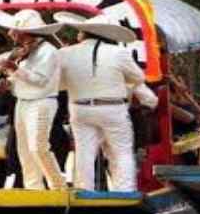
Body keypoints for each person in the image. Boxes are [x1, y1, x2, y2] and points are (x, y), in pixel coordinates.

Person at [57, 14, 153, 193]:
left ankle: (84, 191)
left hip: (80, 108)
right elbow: (138, 77)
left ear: (85, 33)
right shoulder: (119, 53)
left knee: (84, 153)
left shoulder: (64, 53)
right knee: (121, 152)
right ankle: (125, 192)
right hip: (113, 108)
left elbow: (59, 84)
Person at [0, 8, 68, 191]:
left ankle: (58, 187)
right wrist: (9, 81)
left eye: (13, 30)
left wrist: (14, 69)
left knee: (38, 148)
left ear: (24, 32)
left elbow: (40, 80)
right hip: (23, 102)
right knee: (23, 150)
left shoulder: (48, 51)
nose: (9, 33)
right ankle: (34, 188)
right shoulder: (25, 51)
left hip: (42, 102)